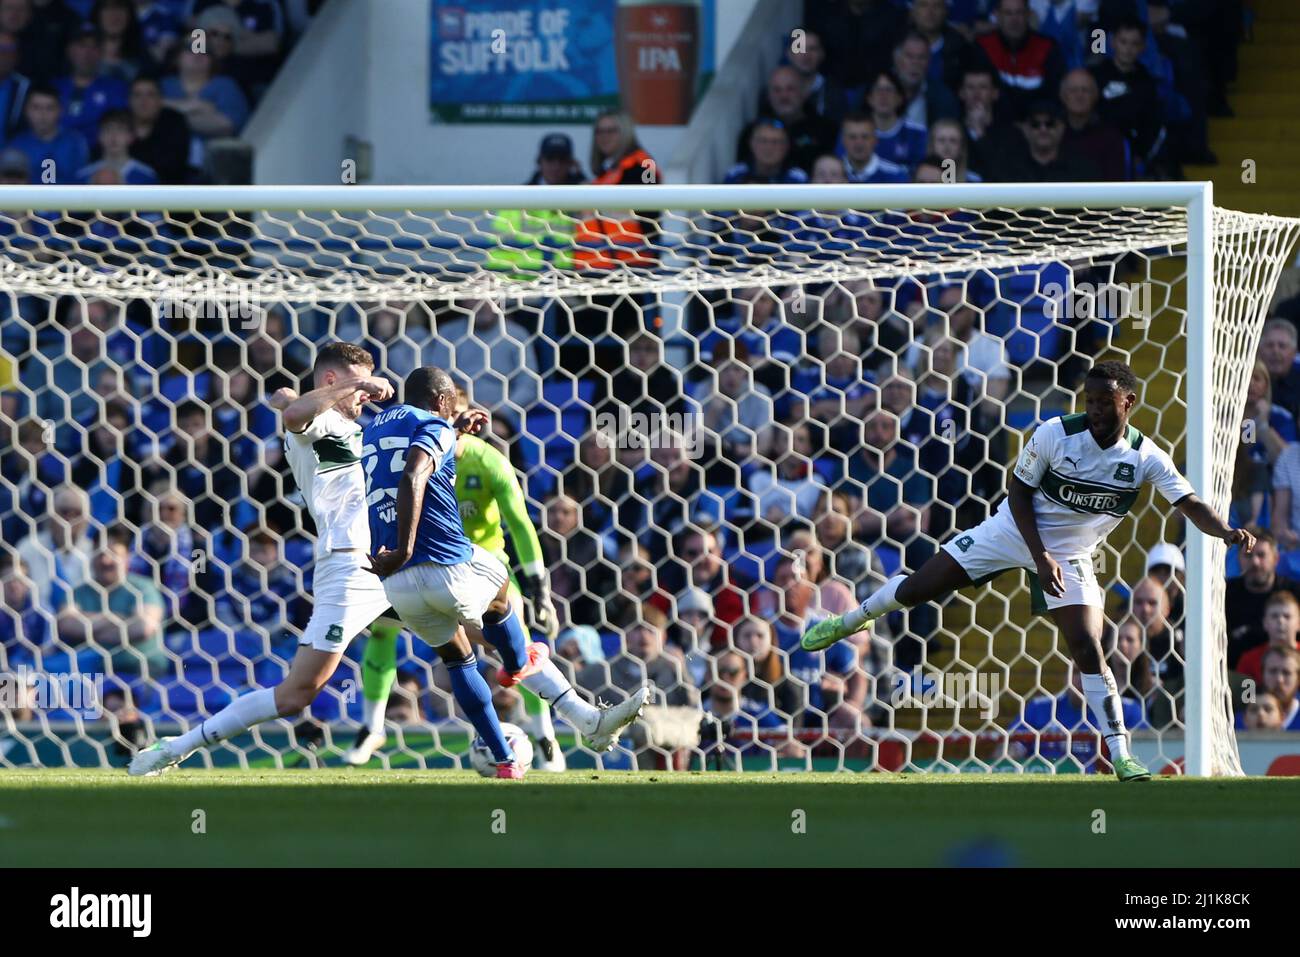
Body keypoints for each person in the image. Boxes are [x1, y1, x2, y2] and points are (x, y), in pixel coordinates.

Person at [803, 360, 1257, 782]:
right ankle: (849, 620)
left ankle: (1120, 751)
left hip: (1074, 553)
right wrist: (1041, 559)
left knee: (1087, 645)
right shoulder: (1054, 434)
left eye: (1106, 402)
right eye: (1090, 400)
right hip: (1011, 531)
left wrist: (1227, 531)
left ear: (1128, 404)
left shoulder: (1144, 457)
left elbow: (1190, 503)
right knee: (921, 587)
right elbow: (1018, 495)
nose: (1096, 410)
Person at [127, 343, 402, 776]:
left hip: (391, 559)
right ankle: (179, 746)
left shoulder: (358, 426)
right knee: (296, 695)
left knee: (481, 626)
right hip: (349, 567)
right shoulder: (319, 419)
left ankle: (528, 731)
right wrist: (323, 392)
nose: (366, 394)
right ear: (333, 380)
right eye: (358, 384)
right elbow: (292, 413)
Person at [363, 366, 649, 775]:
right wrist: (407, 546)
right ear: (443, 402)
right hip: (445, 565)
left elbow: (407, 458)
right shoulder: (433, 426)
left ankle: (504, 759)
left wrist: (455, 430)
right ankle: (518, 663)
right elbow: (413, 473)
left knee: (457, 658)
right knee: (501, 584)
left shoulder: (376, 429)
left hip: (398, 585)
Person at [349, 389, 566, 771]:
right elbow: (416, 473)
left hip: (462, 563)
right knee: (387, 631)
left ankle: (542, 735)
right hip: (445, 566)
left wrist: (538, 589)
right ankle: (371, 725)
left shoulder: (485, 461)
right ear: (441, 410)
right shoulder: (426, 446)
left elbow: (519, 523)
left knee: (467, 651)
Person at [974, 0, 1065, 121]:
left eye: (1019, 13)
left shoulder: (1047, 47)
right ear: (997, 16)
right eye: (1008, 13)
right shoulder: (983, 46)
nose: (1014, 19)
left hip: (1036, 126)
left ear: (1029, 15)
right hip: (994, 123)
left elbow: (1054, 95)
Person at [1226, 531, 1300, 668]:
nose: (1255, 562)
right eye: (1248, 555)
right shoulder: (1225, 594)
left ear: (1276, 559)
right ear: (1238, 559)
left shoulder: (1296, 594)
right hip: (1240, 676)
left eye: (1261, 555)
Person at [998, 97, 1100, 182]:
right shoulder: (1008, 168)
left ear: (1062, 128)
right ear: (1025, 129)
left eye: (1050, 124)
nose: (1043, 129)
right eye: (1035, 124)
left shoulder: (1081, 169)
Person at [9, 83, 89, 181]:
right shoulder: (16, 146)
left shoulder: (76, 143)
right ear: (26, 110)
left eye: (49, 108)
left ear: (60, 110)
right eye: (36, 108)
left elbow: (83, 181)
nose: (43, 114)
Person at [127, 74, 189, 183]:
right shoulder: (121, 122)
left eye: (150, 95)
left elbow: (171, 166)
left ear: (160, 100)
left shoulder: (175, 122)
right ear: (129, 101)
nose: (143, 101)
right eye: (137, 95)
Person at [1235, 591, 1300, 686]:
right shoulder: (1248, 661)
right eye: (1274, 616)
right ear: (1265, 623)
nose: (1281, 621)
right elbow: (1244, 698)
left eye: (1287, 616)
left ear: (1298, 623)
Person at [76, 108, 157, 184]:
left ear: (130, 137)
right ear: (99, 136)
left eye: (120, 130)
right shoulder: (83, 176)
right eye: (108, 130)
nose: (113, 136)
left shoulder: (147, 177)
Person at [839, 112, 908, 183]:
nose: (859, 143)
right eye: (852, 137)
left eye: (865, 137)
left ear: (875, 140)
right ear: (843, 141)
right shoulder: (832, 173)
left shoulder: (895, 175)